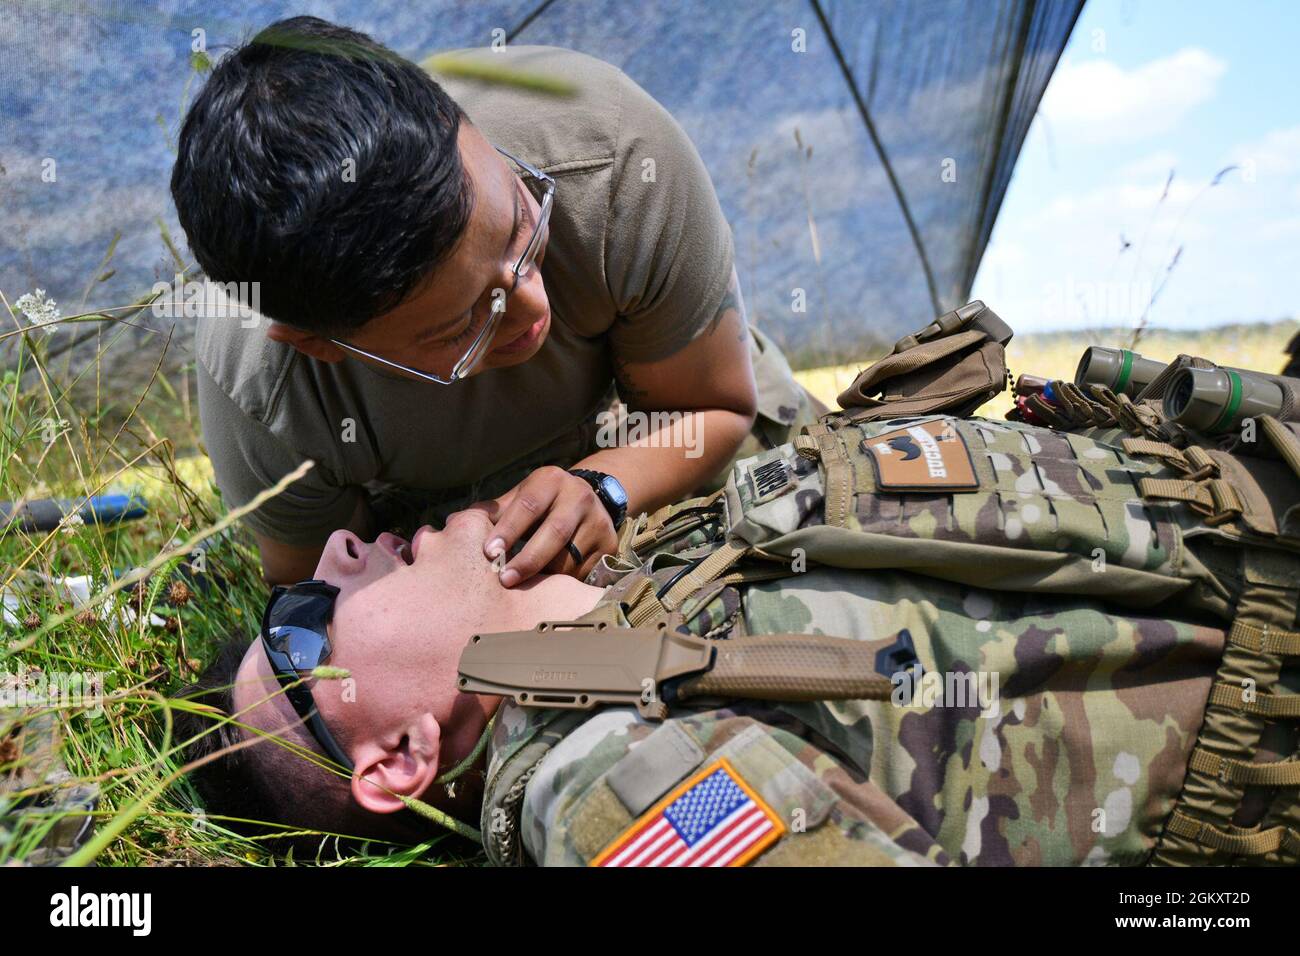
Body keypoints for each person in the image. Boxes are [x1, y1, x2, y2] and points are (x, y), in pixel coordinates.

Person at [178, 399, 1290, 866]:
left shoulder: (651, 575)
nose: (332, 557)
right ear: (401, 757)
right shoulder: (613, 785)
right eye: (302, 630)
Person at [173, 16, 820, 588]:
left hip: (655, 433)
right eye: (464, 323)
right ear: (319, 344)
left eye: (523, 229)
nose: (533, 306)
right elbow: (326, 594)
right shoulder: (264, 392)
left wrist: (606, 487)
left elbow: (716, 406)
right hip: (446, 531)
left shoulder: (609, 154)